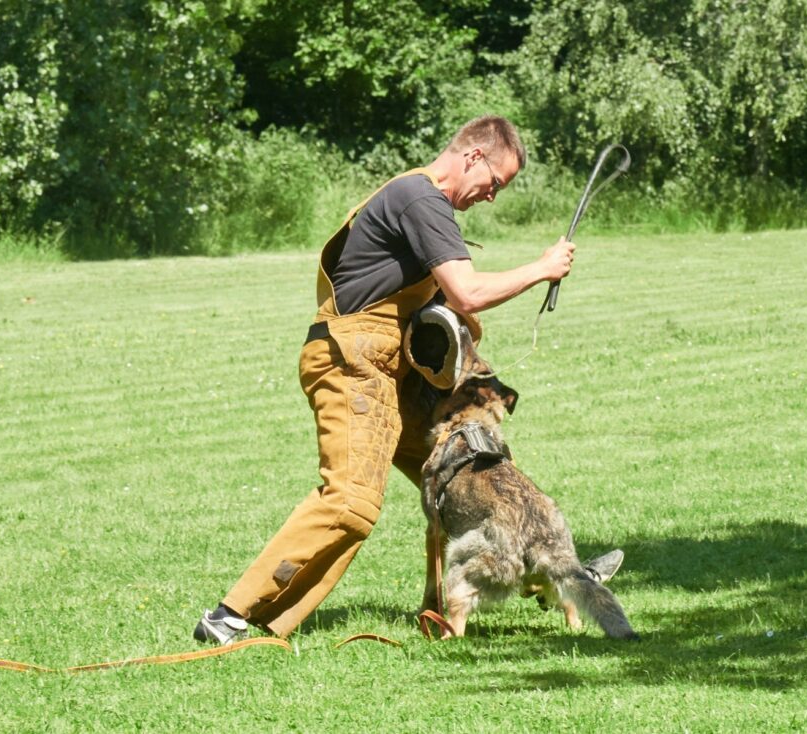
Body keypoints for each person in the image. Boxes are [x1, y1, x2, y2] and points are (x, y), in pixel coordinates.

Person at [193, 115, 624, 645]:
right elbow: (465, 292)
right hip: (353, 365)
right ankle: (232, 615)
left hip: (387, 370)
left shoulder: (421, 202)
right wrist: (541, 268)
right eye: (495, 183)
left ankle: (560, 575)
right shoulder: (420, 199)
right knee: (351, 502)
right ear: (473, 158)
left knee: (479, 472)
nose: (491, 197)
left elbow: (445, 312)